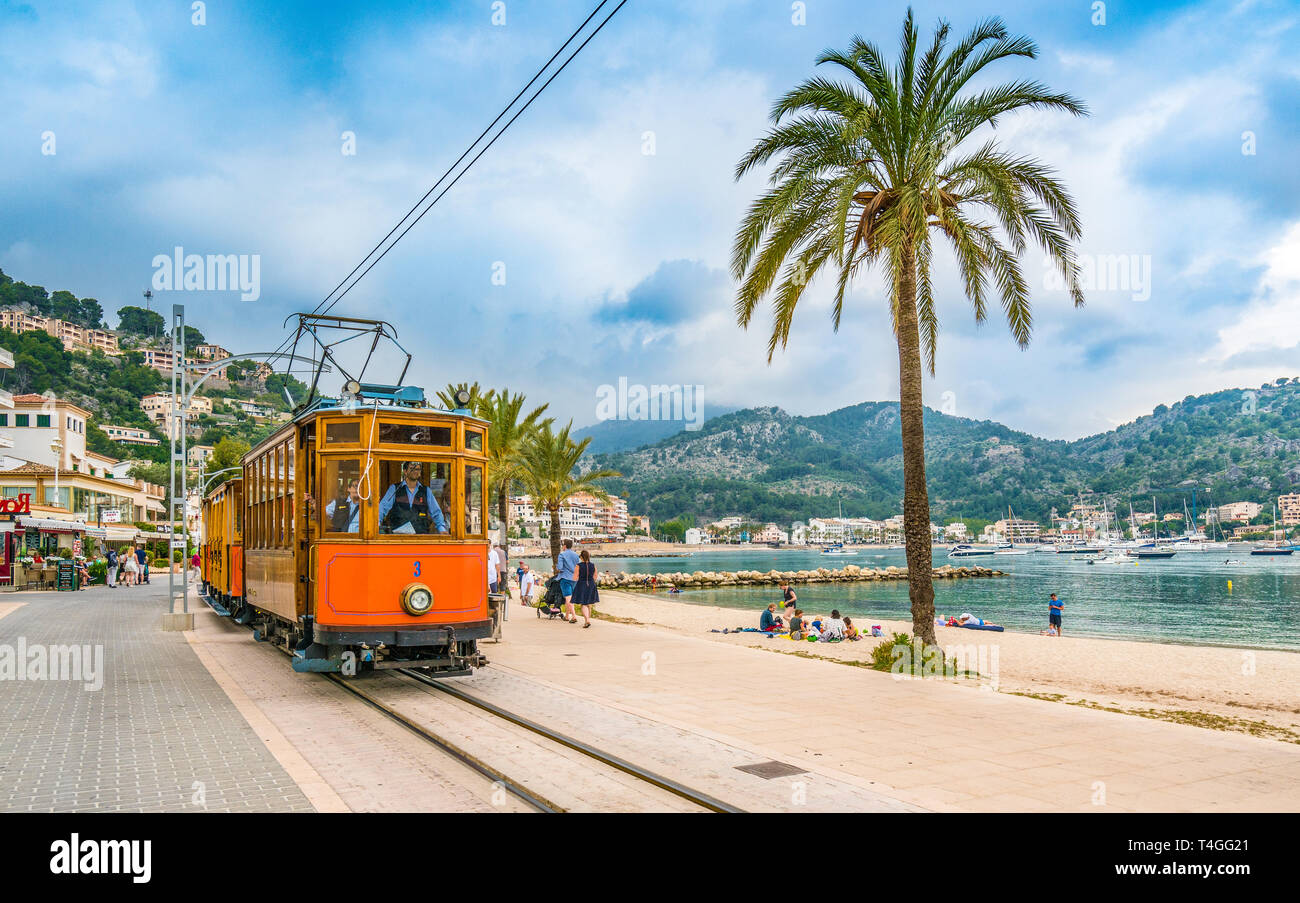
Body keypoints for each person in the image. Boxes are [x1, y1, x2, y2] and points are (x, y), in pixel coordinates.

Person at [378, 461, 449, 534]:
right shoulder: (394, 488)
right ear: (405, 471)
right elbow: (382, 508)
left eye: (418, 469)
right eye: (412, 468)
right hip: (398, 539)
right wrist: (376, 525)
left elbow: (436, 512)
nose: (415, 471)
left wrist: (441, 529)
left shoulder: (426, 491)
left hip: (420, 539)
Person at [571, 549, 598, 628]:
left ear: (582, 557)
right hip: (591, 584)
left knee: (583, 604)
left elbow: (575, 578)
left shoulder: (578, 566)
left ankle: (587, 621)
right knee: (588, 604)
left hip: (582, 584)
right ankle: (587, 620)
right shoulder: (593, 565)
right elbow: (595, 576)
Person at [556, 539, 581, 622]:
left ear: (565, 546)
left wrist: (557, 568)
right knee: (569, 598)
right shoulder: (576, 555)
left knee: (568, 598)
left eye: (562, 545)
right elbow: (579, 566)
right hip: (575, 579)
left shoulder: (562, 555)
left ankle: (574, 616)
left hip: (565, 578)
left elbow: (559, 568)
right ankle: (567, 616)